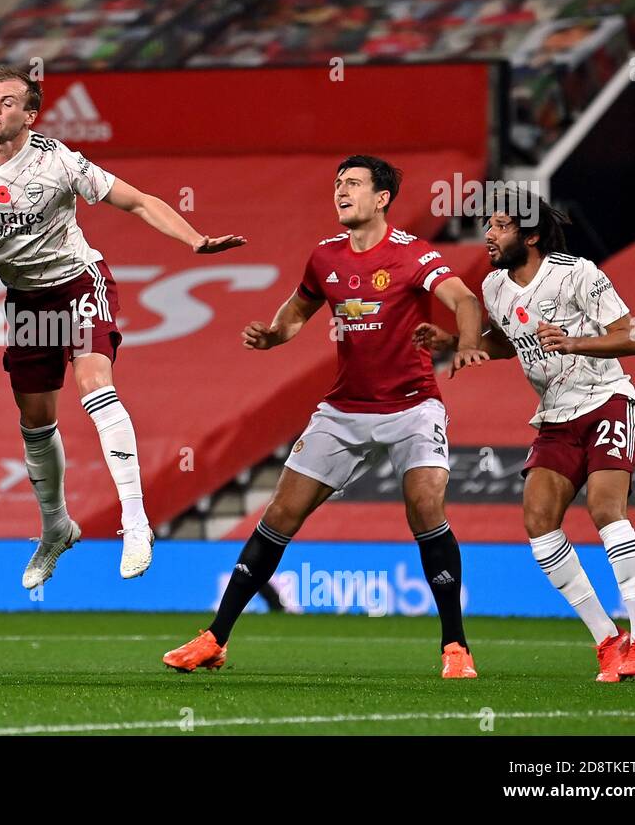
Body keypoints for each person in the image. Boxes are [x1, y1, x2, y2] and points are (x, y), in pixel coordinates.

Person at [0, 67, 245, 588]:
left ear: (30, 115)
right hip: (25, 301)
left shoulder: (58, 162)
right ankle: (56, 528)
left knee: (96, 387)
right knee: (35, 421)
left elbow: (136, 200)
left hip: (77, 284)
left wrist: (194, 239)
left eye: (7, 102)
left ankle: (135, 521)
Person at [163, 155, 486, 678]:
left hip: (411, 403)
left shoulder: (413, 255)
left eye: (354, 184)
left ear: (382, 198)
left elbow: (465, 299)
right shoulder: (324, 257)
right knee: (281, 513)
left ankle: (455, 646)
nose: (341, 191)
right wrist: (273, 335)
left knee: (425, 506)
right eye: (338, 184)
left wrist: (468, 343)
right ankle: (214, 638)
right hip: (344, 409)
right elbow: (295, 313)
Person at [414, 195, 635, 681]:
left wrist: (575, 341)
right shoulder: (493, 286)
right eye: (488, 223)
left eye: (501, 225)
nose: (488, 233)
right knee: (538, 521)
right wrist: (457, 344)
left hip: (607, 400)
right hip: (554, 417)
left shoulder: (578, 273)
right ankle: (609, 641)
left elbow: (633, 336)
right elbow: (506, 339)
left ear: (530, 236)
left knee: (606, 509)